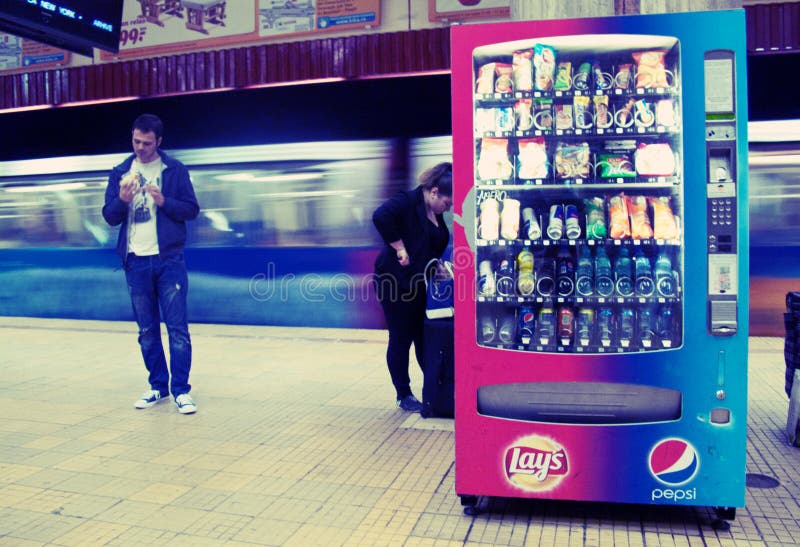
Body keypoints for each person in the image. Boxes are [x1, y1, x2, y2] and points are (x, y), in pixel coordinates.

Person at [102, 113, 200, 414]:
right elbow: (109, 216)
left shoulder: (174, 170)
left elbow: (192, 210)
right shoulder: (121, 172)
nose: (140, 148)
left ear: (158, 141)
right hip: (135, 261)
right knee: (146, 331)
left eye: (146, 143)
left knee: (177, 329)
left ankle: (181, 390)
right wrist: (121, 199)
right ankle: (158, 386)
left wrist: (164, 202)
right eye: (136, 141)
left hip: (169, 260)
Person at [372, 162, 453, 412]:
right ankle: (403, 394)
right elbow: (380, 216)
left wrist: (438, 266)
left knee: (424, 336)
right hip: (394, 282)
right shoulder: (406, 201)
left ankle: (436, 391)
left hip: (418, 283)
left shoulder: (434, 213)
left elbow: (428, 245)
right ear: (434, 192)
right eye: (447, 203)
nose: (448, 208)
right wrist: (399, 247)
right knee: (401, 337)